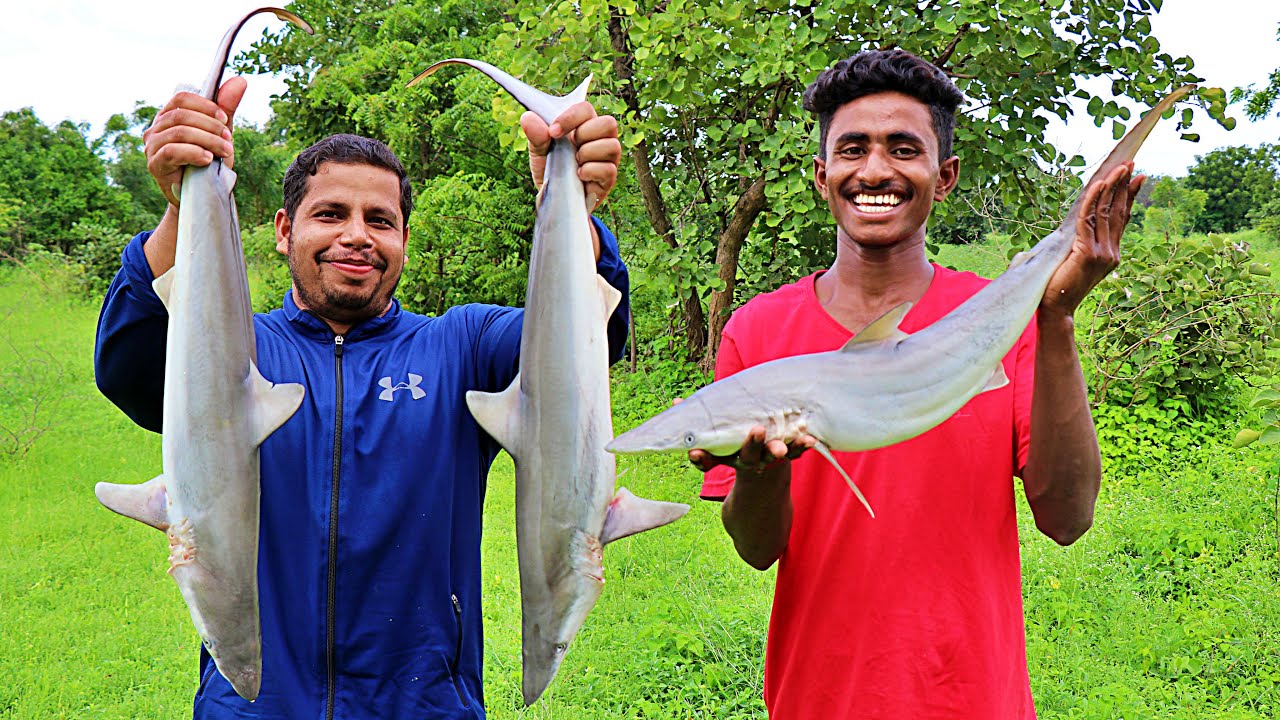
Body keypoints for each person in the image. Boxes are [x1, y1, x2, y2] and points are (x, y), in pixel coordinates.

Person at [94, 75, 627, 719]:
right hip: (255, 705)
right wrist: (183, 206)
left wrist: (572, 207)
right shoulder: (233, 350)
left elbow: (588, 345)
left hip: (425, 706)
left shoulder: (463, 346)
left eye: (381, 220)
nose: (357, 235)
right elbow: (128, 370)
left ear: (404, 238)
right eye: (330, 214)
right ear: (285, 229)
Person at [692, 50, 1142, 719]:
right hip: (817, 701)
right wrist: (761, 471)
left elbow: (1068, 518)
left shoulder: (1000, 322)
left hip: (976, 700)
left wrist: (1055, 318)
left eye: (904, 149)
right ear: (823, 176)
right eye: (853, 149)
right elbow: (758, 552)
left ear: (945, 174)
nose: (875, 171)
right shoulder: (756, 334)